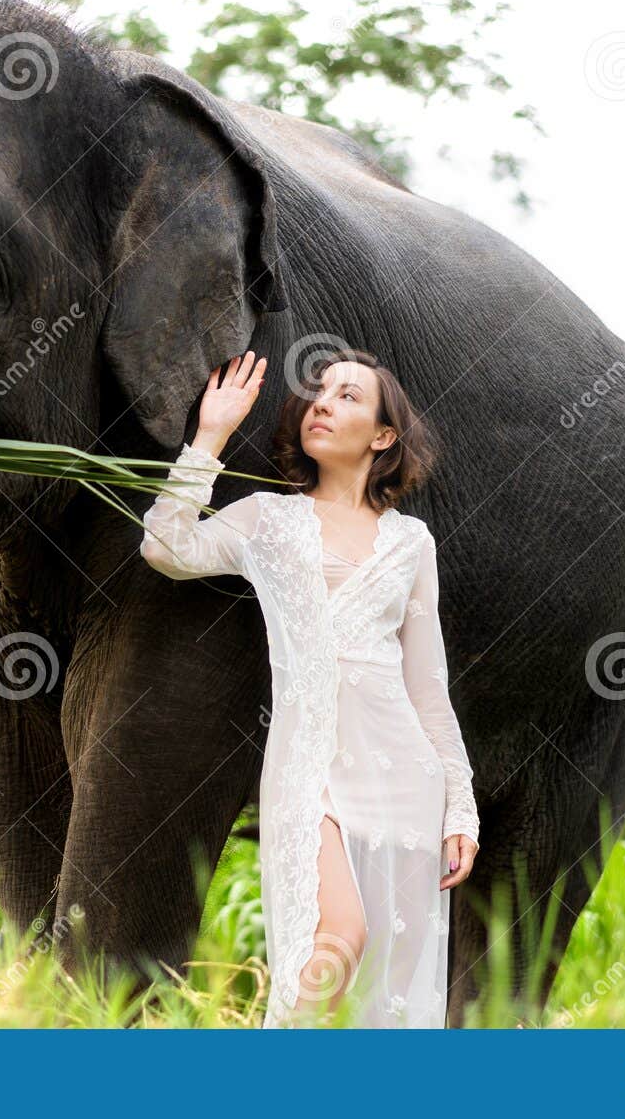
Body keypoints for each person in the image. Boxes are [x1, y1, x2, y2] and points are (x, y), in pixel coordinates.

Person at [139, 348, 480, 1028]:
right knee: (332, 943)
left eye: (348, 395)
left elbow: (427, 686)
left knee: (386, 986)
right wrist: (211, 433)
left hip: (405, 780)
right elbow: (165, 545)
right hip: (307, 771)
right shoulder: (269, 518)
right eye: (318, 391)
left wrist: (461, 807)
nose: (322, 402)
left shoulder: (412, 543)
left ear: (384, 435)